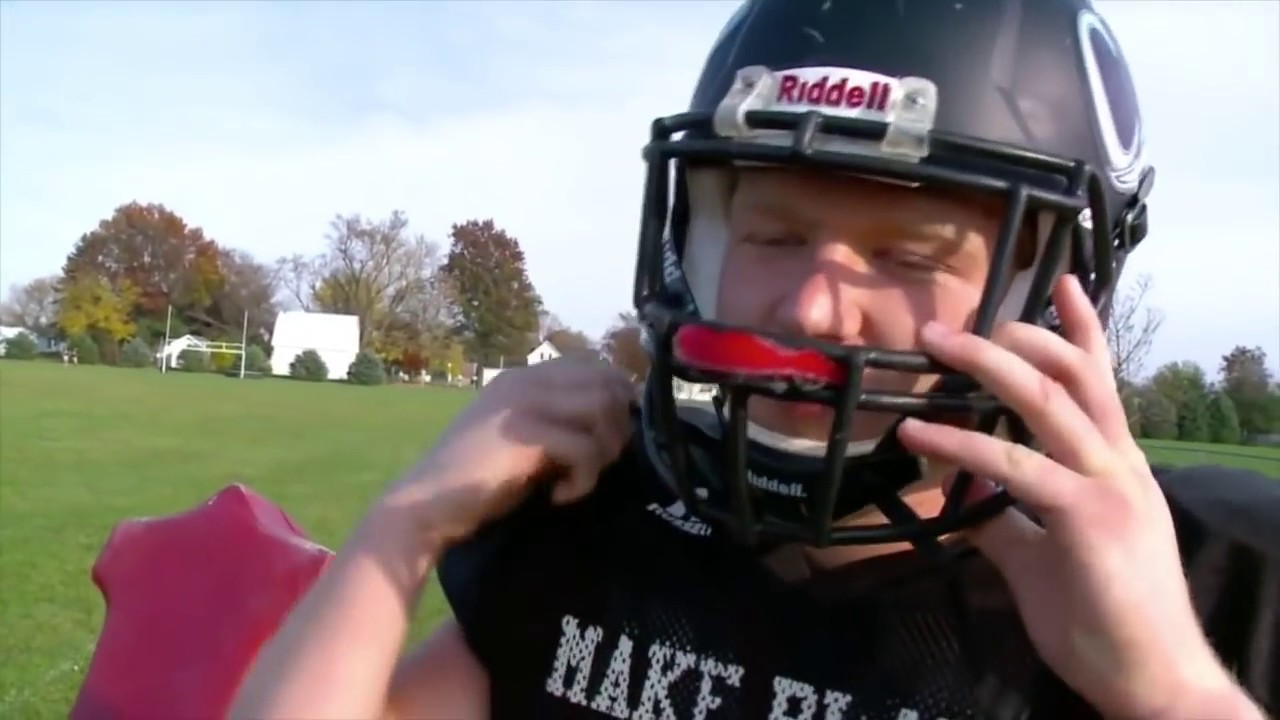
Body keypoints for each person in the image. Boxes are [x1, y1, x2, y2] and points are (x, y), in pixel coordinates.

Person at [230, 0, 1279, 718]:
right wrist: (403, 529)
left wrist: (1174, 691)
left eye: (910, 256)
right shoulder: (606, 523)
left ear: (1049, 289)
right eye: (773, 235)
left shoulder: (1214, 584)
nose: (812, 304)